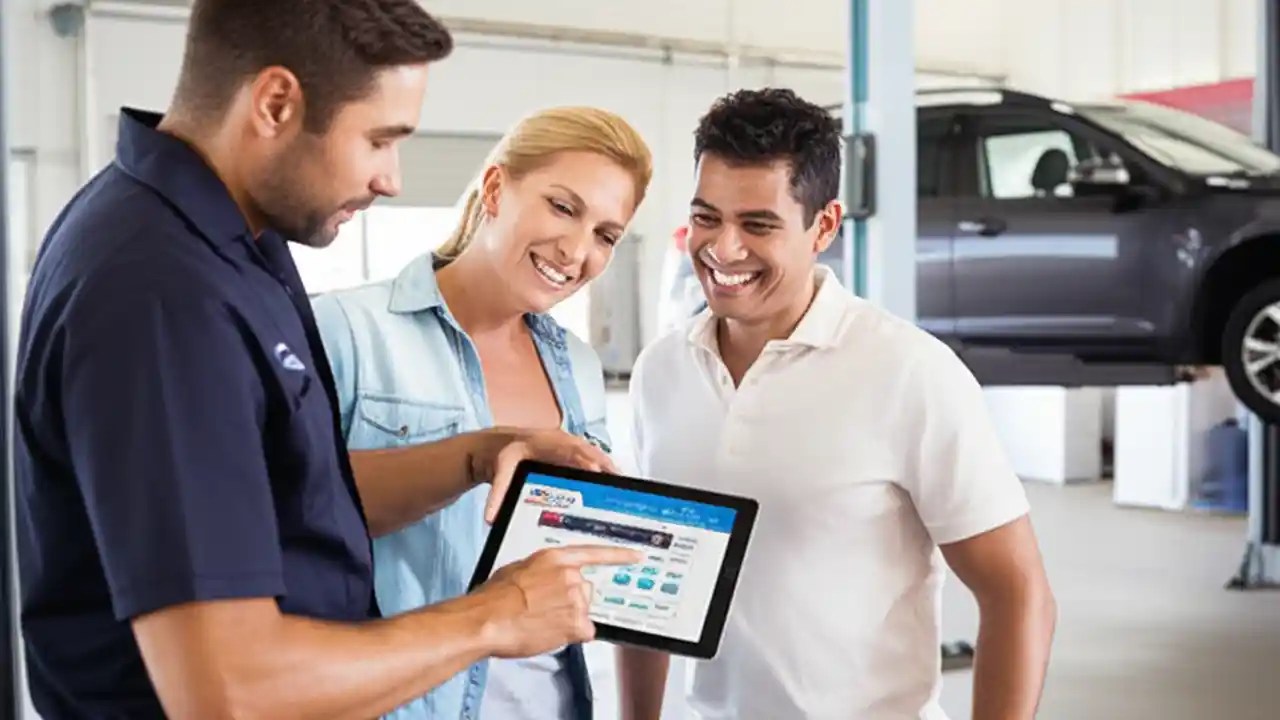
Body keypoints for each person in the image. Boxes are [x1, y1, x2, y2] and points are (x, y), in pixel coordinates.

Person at [12, 2, 639, 718]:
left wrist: (478, 453)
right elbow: (229, 692)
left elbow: (296, 500)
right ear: (276, 103)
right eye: (379, 140)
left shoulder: (238, 243)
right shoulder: (164, 292)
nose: (392, 179)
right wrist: (494, 616)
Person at [617, 88, 1058, 720]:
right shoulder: (660, 371)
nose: (723, 248)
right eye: (707, 217)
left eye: (758, 224)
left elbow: (1019, 593)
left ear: (824, 225)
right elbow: (649, 586)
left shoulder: (909, 371)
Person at [313, 105, 653, 720]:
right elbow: (293, 510)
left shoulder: (576, 364)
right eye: (563, 207)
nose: (577, 250)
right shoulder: (345, 331)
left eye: (606, 234)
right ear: (495, 188)